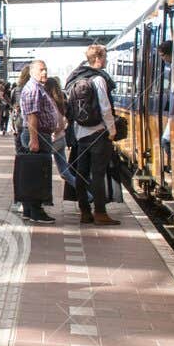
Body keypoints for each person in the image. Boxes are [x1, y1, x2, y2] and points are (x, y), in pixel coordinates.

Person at [65, 45, 120, 226]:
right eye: (105, 56)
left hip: (81, 134)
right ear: (99, 58)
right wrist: (112, 131)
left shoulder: (75, 78)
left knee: (81, 173)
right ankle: (100, 212)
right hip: (98, 133)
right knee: (98, 173)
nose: (106, 60)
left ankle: (84, 212)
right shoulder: (98, 79)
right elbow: (105, 108)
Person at [17, 60, 60, 223]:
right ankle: (36, 210)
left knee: (31, 173)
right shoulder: (33, 88)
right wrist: (34, 140)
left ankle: (29, 209)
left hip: (39, 135)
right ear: (32, 71)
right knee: (38, 174)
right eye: (41, 70)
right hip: (38, 135)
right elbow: (32, 116)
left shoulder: (36, 87)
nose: (45, 73)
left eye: (46, 69)